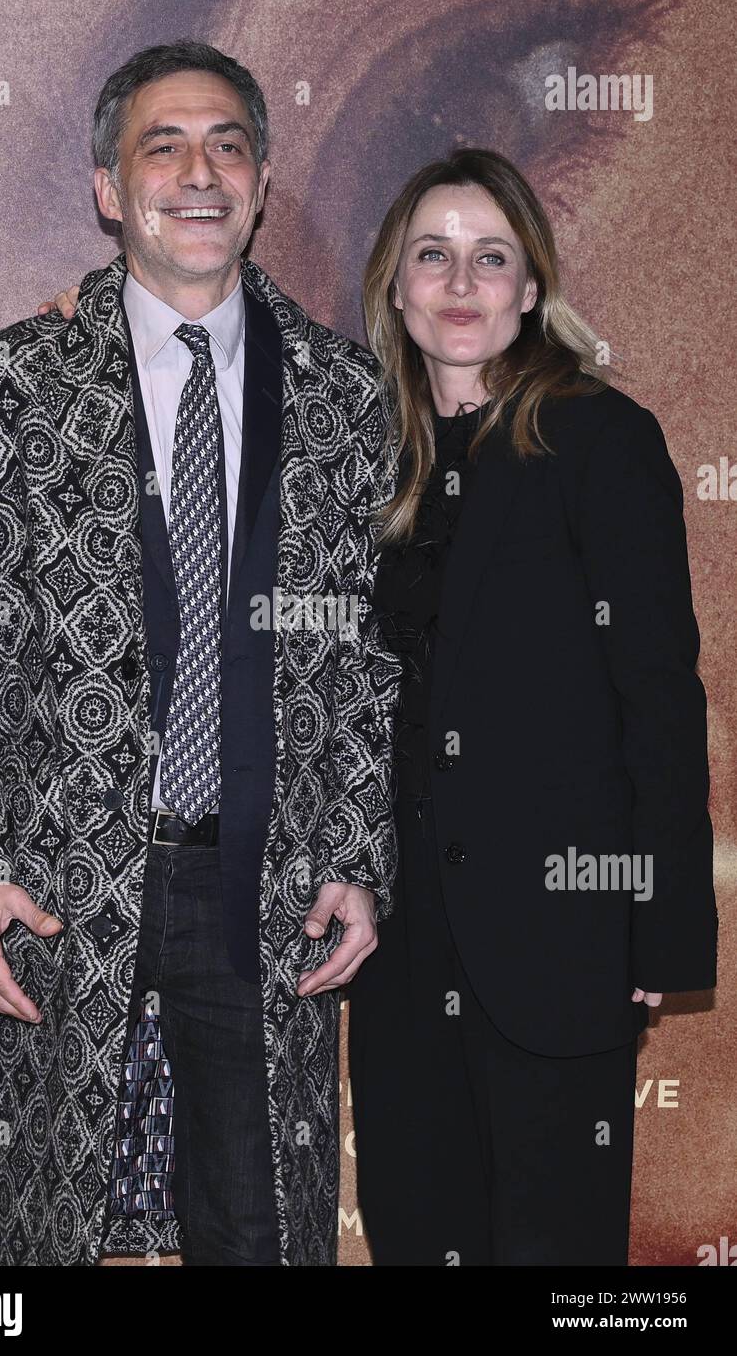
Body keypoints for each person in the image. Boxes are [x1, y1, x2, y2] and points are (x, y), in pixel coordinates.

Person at [0, 39, 401, 1267]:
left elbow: (363, 657)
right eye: (161, 145)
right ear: (111, 189)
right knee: (50, 1235)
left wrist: (351, 848)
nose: (198, 170)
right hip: (59, 883)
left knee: (259, 1229)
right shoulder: (10, 387)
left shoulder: (339, 393)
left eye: (227, 142)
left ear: (262, 180)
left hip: (261, 886)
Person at [347, 147, 718, 1266]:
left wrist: (660, 919)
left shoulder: (599, 440)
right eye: (433, 255)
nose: (460, 281)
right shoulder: (373, 460)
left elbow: (657, 692)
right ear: (396, 288)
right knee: (419, 1236)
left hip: (558, 935)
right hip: (404, 946)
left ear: (527, 288)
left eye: (489, 255)